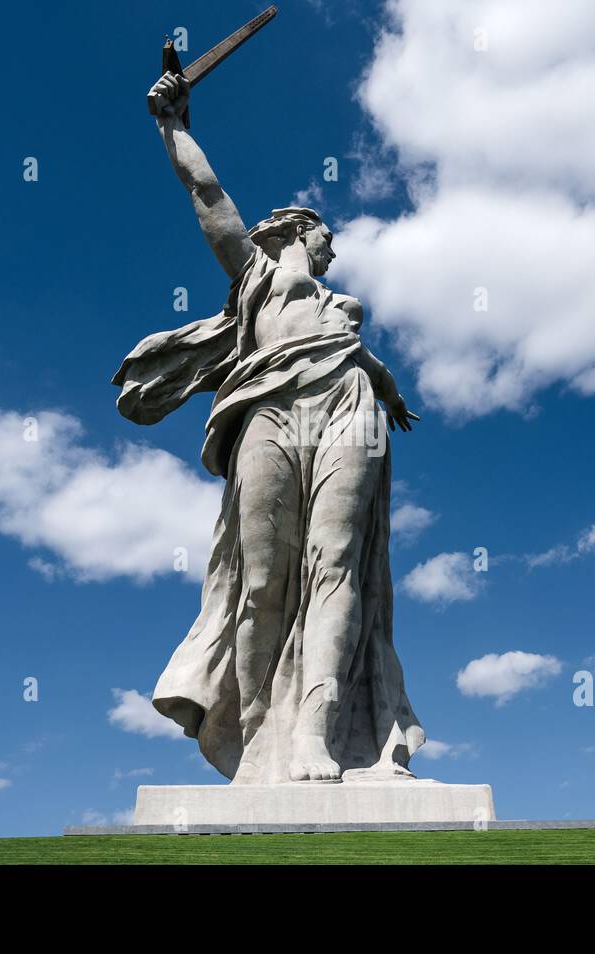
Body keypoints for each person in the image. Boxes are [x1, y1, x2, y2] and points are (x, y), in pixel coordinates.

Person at [113, 71, 425, 784]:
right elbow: (209, 197)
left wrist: (386, 386)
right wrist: (174, 126)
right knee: (261, 581)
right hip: (269, 410)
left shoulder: (343, 310)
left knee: (337, 564)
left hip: (350, 406)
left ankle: (315, 732)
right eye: (327, 239)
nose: (333, 253)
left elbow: (354, 352)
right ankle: (260, 736)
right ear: (298, 230)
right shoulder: (257, 274)